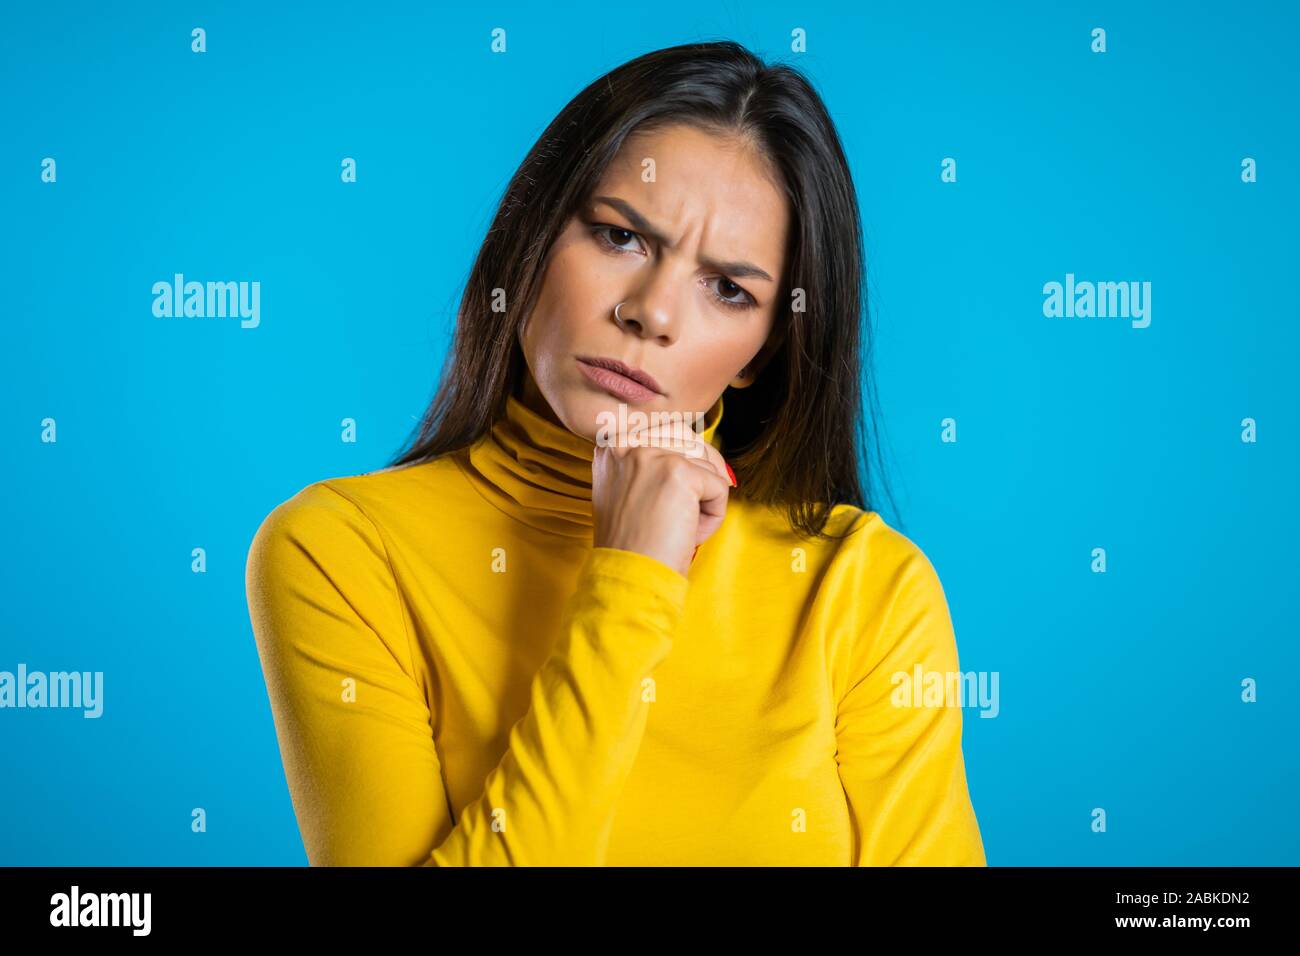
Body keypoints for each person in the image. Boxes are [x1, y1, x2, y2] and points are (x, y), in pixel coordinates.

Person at [245, 40, 986, 866]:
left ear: (760, 356)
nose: (652, 311)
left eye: (729, 289)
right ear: (530, 241)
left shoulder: (863, 589)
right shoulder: (341, 551)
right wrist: (631, 583)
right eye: (620, 236)